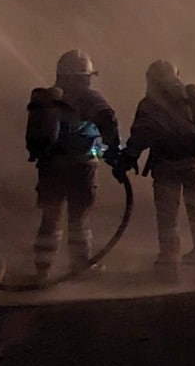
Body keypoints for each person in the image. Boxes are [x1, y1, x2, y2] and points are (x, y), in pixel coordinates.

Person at [24, 49, 126, 280]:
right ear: (85, 76)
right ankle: (80, 266)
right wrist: (114, 149)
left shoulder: (48, 98)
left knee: (50, 219)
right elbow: (108, 119)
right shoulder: (89, 97)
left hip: (49, 168)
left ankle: (42, 269)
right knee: (79, 220)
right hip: (82, 167)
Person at [121, 58, 195, 276]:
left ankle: (168, 256)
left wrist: (128, 157)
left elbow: (140, 135)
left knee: (167, 215)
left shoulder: (149, 104)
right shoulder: (193, 100)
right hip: (194, 164)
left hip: (165, 167)